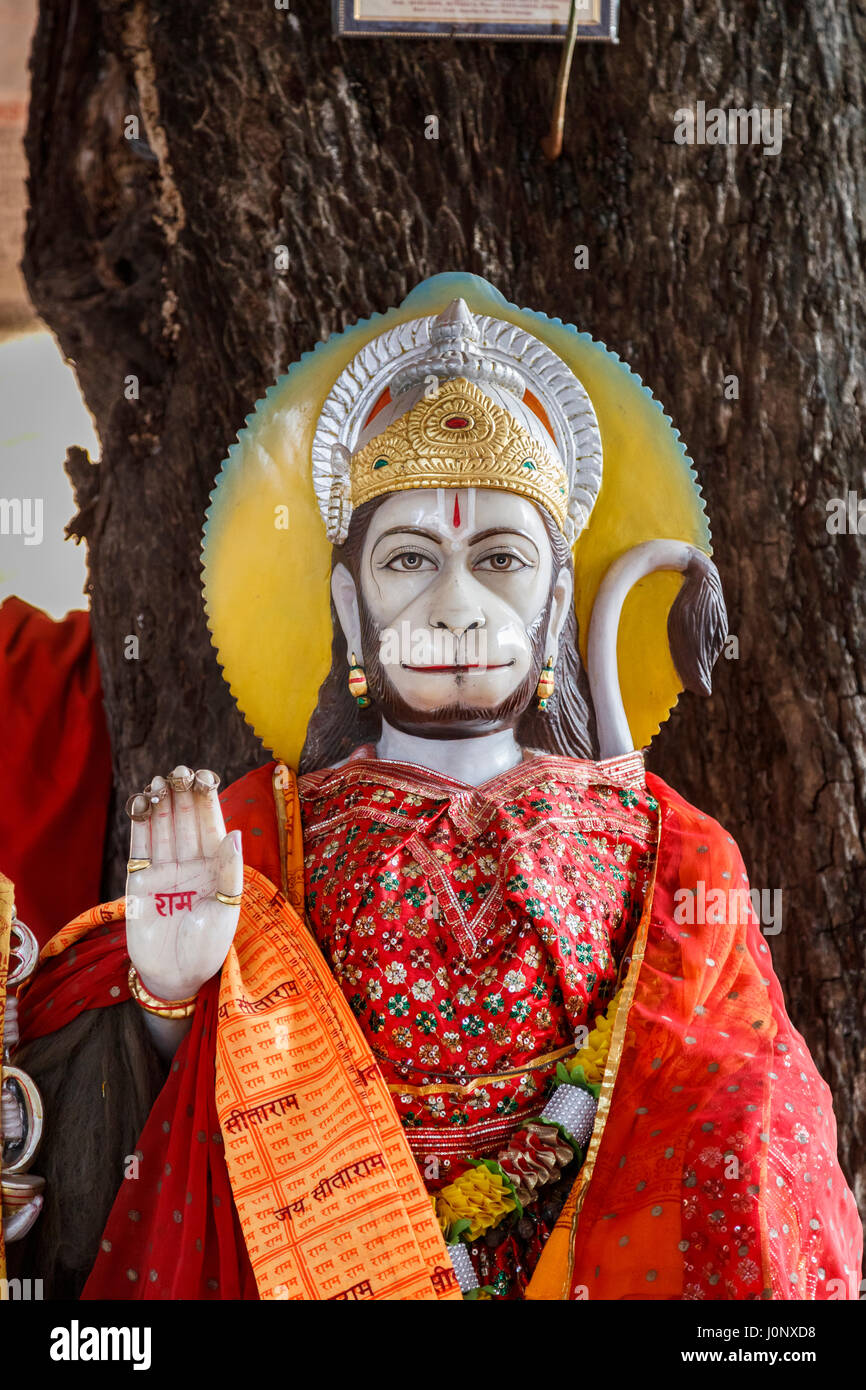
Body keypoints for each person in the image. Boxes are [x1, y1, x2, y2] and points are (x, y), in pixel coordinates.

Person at [8, 275, 861, 1301]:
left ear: (555, 601)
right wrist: (166, 996)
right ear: (346, 600)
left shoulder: (667, 849)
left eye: (497, 557)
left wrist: (710, 1116)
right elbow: (166, 1127)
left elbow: (748, 1106)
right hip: (326, 1267)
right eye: (409, 558)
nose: (454, 604)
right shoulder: (264, 836)